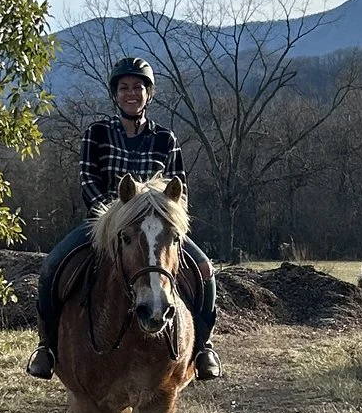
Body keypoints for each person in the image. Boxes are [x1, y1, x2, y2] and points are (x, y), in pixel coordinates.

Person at [27, 56, 221, 381]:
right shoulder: (97, 133)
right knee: (52, 267)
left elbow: (179, 191)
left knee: (205, 272)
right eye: (124, 88)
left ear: (149, 93)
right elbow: (88, 180)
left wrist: (165, 218)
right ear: (115, 94)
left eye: (138, 88)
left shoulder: (166, 139)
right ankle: (46, 346)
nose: (131, 93)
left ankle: (203, 347)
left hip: (157, 229)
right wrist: (116, 218)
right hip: (105, 227)